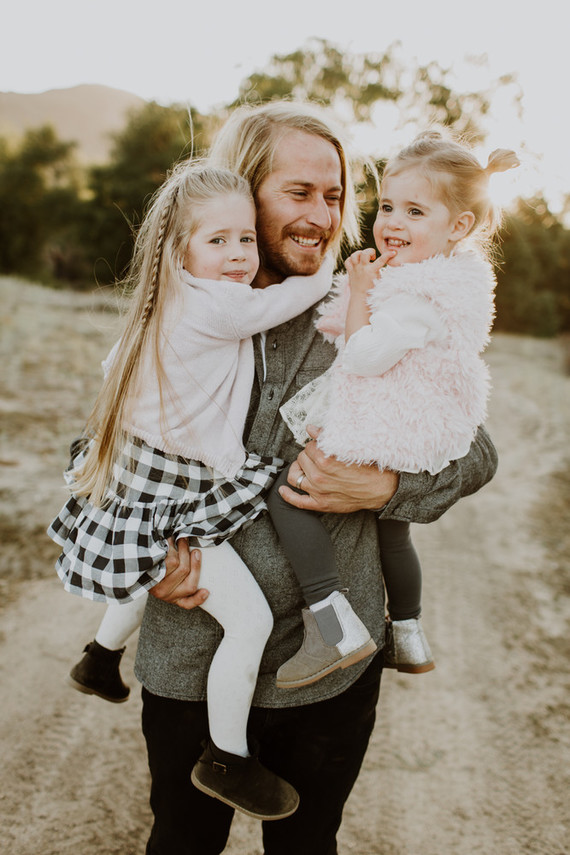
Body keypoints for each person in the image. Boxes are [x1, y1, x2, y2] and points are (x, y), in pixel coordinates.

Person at [134, 101, 499, 855]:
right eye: (298, 192)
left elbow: (476, 450)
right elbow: (103, 450)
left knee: (308, 845)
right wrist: (148, 555)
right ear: (242, 190)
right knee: (181, 840)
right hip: (193, 649)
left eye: (334, 195)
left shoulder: (370, 301)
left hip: (330, 671)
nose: (323, 216)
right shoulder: (178, 310)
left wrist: (388, 491)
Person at [47, 162, 335, 821]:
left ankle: (99, 658)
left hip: (141, 478)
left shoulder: (168, 295)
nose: (238, 254)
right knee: (250, 620)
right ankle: (227, 757)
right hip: (168, 487)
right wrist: (332, 272)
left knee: (147, 565)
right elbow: (286, 299)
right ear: (180, 250)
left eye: (246, 239)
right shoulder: (219, 304)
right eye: (218, 240)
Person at [268, 130, 519, 685]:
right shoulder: (441, 284)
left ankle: (333, 627)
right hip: (413, 423)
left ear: (459, 226)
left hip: (386, 425)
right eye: (386, 207)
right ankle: (407, 632)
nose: (392, 222)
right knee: (394, 532)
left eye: (414, 211)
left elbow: (363, 356)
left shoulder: (413, 297)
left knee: (289, 498)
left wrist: (360, 292)